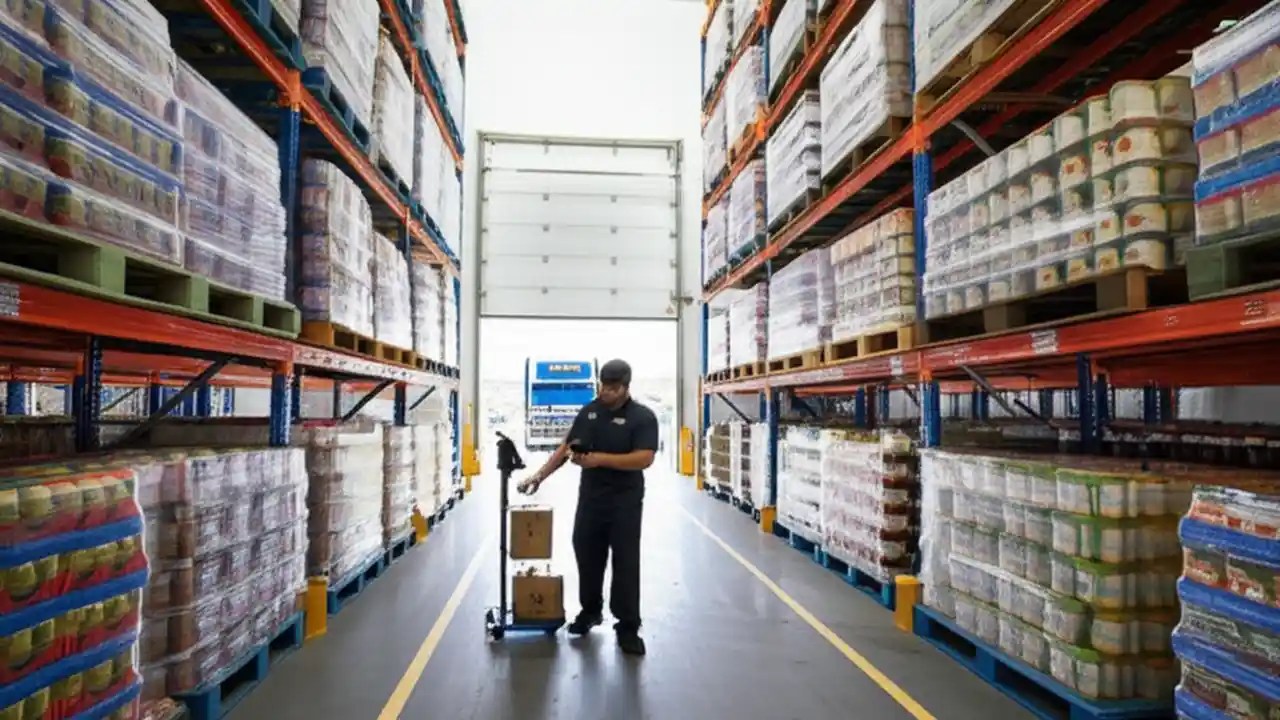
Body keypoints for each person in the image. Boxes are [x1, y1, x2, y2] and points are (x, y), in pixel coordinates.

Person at [517, 358, 657, 656]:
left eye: (612, 388)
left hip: (625, 502)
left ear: (625, 387)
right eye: (603, 386)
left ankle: (628, 625)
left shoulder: (642, 417)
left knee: (625, 560)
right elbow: (567, 447)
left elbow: (644, 458)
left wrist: (599, 460)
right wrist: (539, 476)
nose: (606, 392)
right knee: (586, 552)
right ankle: (590, 610)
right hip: (592, 499)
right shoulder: (590, 411)